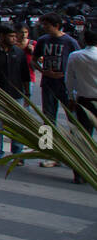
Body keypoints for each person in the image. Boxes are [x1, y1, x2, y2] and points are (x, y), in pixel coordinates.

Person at [0, 23, 30, 165]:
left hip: (16, 95)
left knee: (17, 127)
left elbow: (25, 75)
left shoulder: (19, 53)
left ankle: (17, 154)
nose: (14, 38)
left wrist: (27, 94)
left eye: (15, 36)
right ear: (1, 36)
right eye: (11, 36)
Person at [33, 13, 80, 166]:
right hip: (47, 84)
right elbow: (34, 60)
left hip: (65, 86)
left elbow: (77, 63)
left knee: (72, 120)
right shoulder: (42, 41)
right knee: (48, 119)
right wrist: (43, 71)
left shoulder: (70, 42)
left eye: (47, 25)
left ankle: (75, 154)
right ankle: (49, 154)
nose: (44, 27)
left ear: (56, 25)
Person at [64, 28, 97, 184]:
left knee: (82, 136)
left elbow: (69, 79)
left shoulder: (75, 56)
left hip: (83, 101)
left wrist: (70, 97)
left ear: (85, 40)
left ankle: (80, 172)